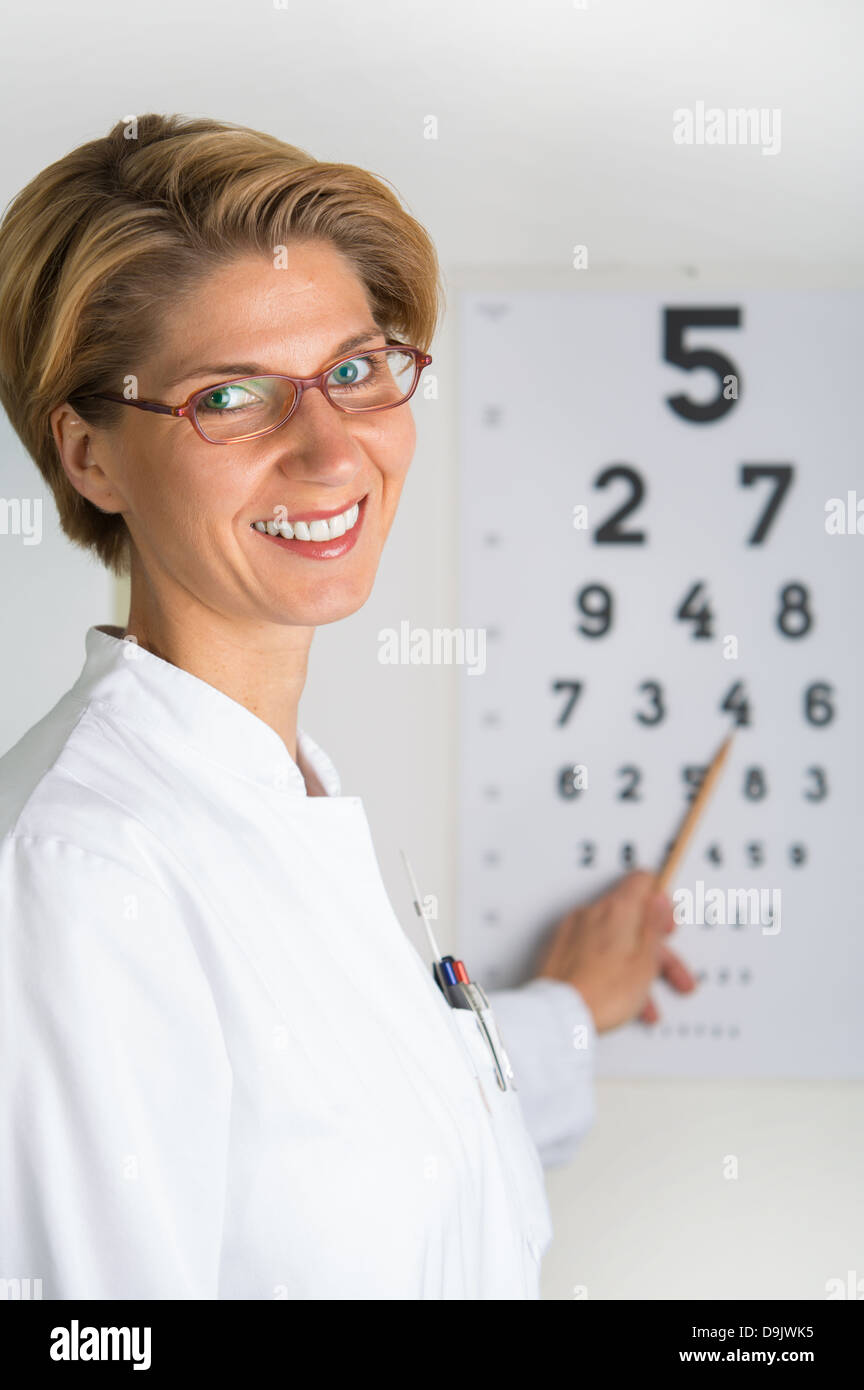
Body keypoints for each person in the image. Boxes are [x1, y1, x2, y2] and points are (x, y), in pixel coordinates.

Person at [0, 113, 695, 1300]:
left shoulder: (281, 788)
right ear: (91, 457)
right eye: (232, 395)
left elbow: (374, 1149)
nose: (331, 452)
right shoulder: (80, 871)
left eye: (357, 369)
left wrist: (571, 1012)